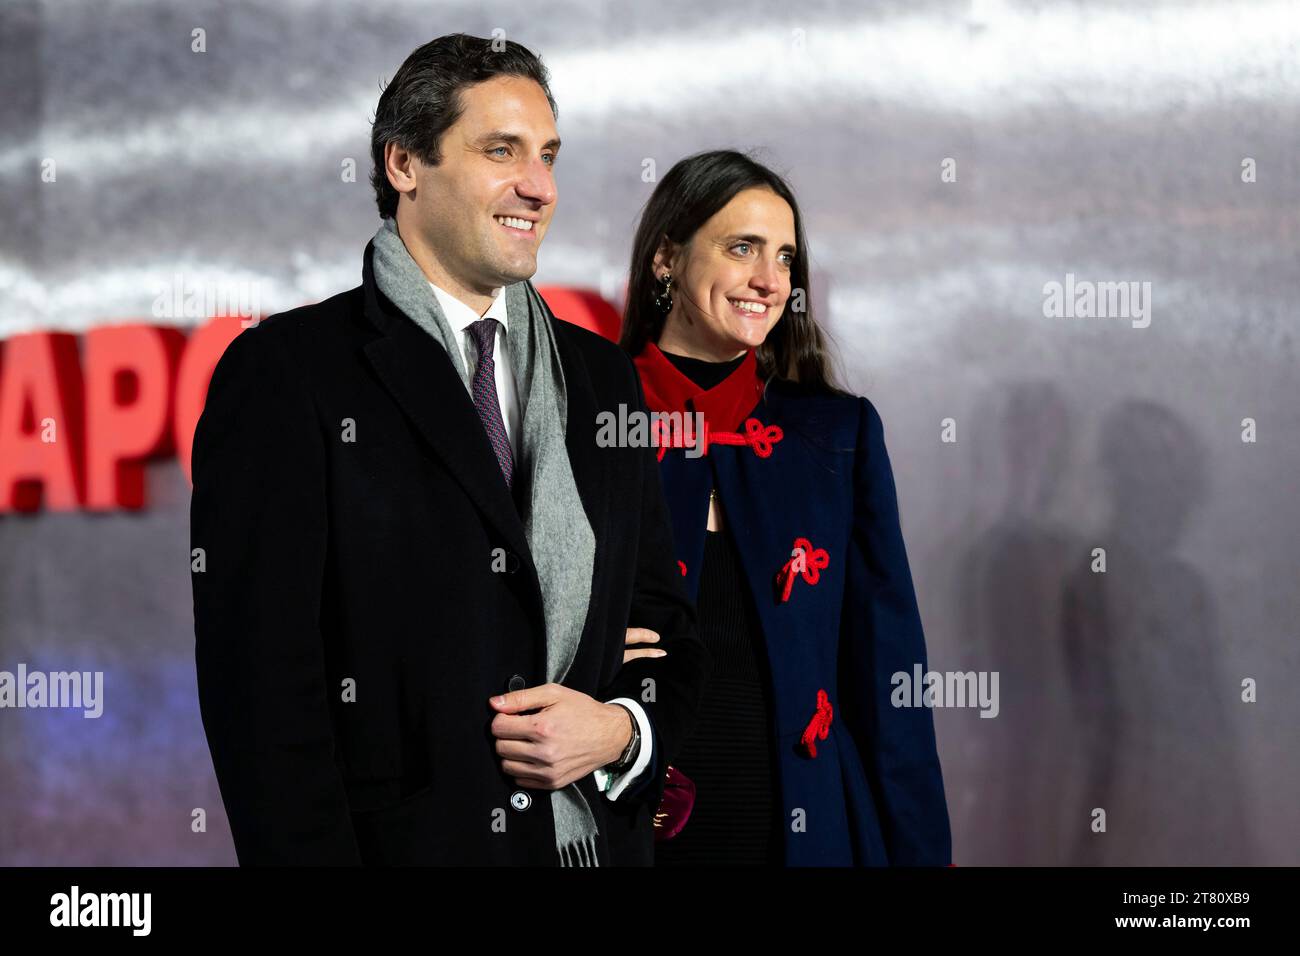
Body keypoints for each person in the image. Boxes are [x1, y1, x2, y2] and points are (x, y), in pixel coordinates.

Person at [191, 34, 706, 866]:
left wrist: (620, 728)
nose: (539, 186)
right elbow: (262, 697)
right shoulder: (287, 373)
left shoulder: (601, 376)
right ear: (404, 164)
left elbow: (666, 627)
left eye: (547, 155)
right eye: (501, 151)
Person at [620, 150, 951, 866]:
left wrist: (920, 853)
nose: (770, 281)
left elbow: (887, 675)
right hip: (620, 832)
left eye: (785, 257)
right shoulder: (578, 419)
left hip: (805, 841)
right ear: (666, 258)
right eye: (742, 248)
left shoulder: (838, 434)